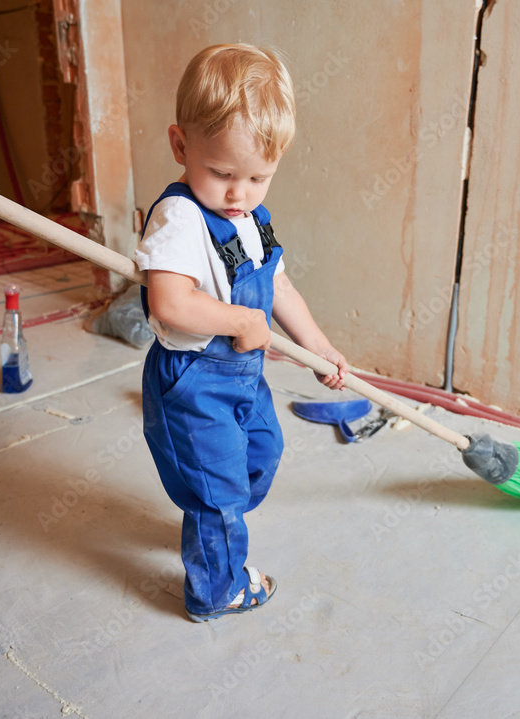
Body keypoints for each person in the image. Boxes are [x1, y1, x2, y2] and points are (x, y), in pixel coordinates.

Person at [135, 43, 348, 622]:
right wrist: (237, 321)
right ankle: (217, 587)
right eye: (223, 173)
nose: (239, 194)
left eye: (259, 177)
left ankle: (212, 521)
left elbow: (278, 288)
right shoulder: (179, 219)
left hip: (244, 376)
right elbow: (170, 302)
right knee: (219, 491)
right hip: (194, 382)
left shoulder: (251, 217)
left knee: (262, 454)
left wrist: (318, 348)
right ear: (181, 146)